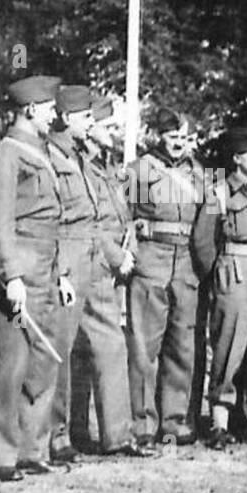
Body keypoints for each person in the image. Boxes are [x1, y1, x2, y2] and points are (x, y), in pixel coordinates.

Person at [0, 75, 73, 481]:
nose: (54, 114)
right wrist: (10, 275)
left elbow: (58, 221)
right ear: (30, 110)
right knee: (10, 363)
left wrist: (63, 274)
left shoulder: (42, 153)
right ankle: (3, 454)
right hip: (21, 269)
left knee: (44, 360)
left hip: (47, 269)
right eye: (49, 108)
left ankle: (33, 449)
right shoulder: (8, 153)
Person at [46, 86, 148, 459]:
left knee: (111, 344)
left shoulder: (102, 168)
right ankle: (58, 437)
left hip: (101, 267)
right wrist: (114, 254)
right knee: (63, 350)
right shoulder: (71, 162)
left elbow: (119, 219)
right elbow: (81, 222)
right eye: (104, 124)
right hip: (80, 261)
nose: (111, 131)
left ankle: (117, 435)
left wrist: (125, 250)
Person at [192, 127, 247, 448]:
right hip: (234, 273)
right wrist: (218, 274)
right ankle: (218, 423)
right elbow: (203, 240)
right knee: (228, 348)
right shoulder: (219, 192)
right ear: (236, 159)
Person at [127, 108, 207, 446]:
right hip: (152, 257)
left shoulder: (202, 173)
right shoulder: (142, 171)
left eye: (184, 137)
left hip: (187, 260)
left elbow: (213, 217)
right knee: (145, 345)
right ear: (158, 135)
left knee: (182, 345)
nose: (179, 143)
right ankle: (143, 424)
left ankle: (175, 421)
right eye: (172, 136)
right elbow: (123, 215)